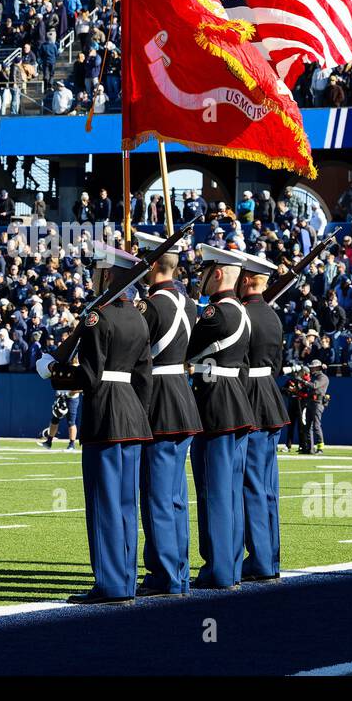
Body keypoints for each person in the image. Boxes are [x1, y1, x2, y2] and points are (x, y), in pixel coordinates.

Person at [38, 241, 153, 605]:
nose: (92, 277)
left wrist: (55, 373)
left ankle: (110, 584)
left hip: (104, 413)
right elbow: (144, 376)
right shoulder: (138, 315)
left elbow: (89, 376)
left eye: (96, 271)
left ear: (108, 274)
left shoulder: (97, 317)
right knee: (125, 503)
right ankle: (127, 579)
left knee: (104, 502)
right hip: (133, 414)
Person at [132, 230, 201, 597]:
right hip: (182, 399)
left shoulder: (150, 306)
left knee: (157, 495)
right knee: (174, 496)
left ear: (153, 263)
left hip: (158, 399)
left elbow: (136, 354)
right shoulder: (187, 302)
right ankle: (179, 567)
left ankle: (163, 574)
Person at [185, 245, 255, 591]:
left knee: (214, 491)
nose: (200, 279)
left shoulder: (216, 313)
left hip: (215, 406)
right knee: (228, 491)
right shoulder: (240, 311)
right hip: (234, 405)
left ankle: (218, 569)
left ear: (216, 273)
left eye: (203, 272)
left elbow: (184, 347)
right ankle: (229, 566)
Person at [237, 250, 287, 584]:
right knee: (267, 486)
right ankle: (269, 555)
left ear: (247, 280)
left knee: (253, 485)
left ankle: (260, 561)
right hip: (270, 395)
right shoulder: (272, 315)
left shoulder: (243, 315)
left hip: (251, 397)